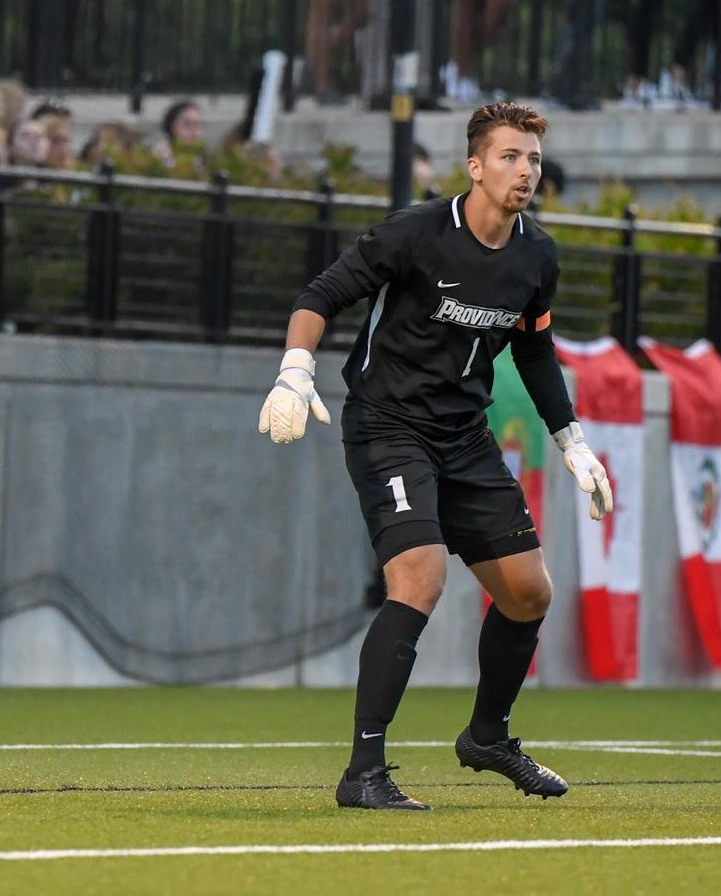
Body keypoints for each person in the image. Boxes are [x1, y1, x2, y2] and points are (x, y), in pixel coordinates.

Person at [258, 101, 613, 810]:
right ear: (474, 166)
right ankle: (363, 772)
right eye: (510, 157)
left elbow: (536, 352)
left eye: (534, 160)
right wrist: (295, 369)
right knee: (418, 578)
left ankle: (487, 738)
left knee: (528, 590)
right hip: (388, 426)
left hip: (464, 437)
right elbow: (322, 293)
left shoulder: (537, 255)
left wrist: (572, 440)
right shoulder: (418, 233)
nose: (525, 171)